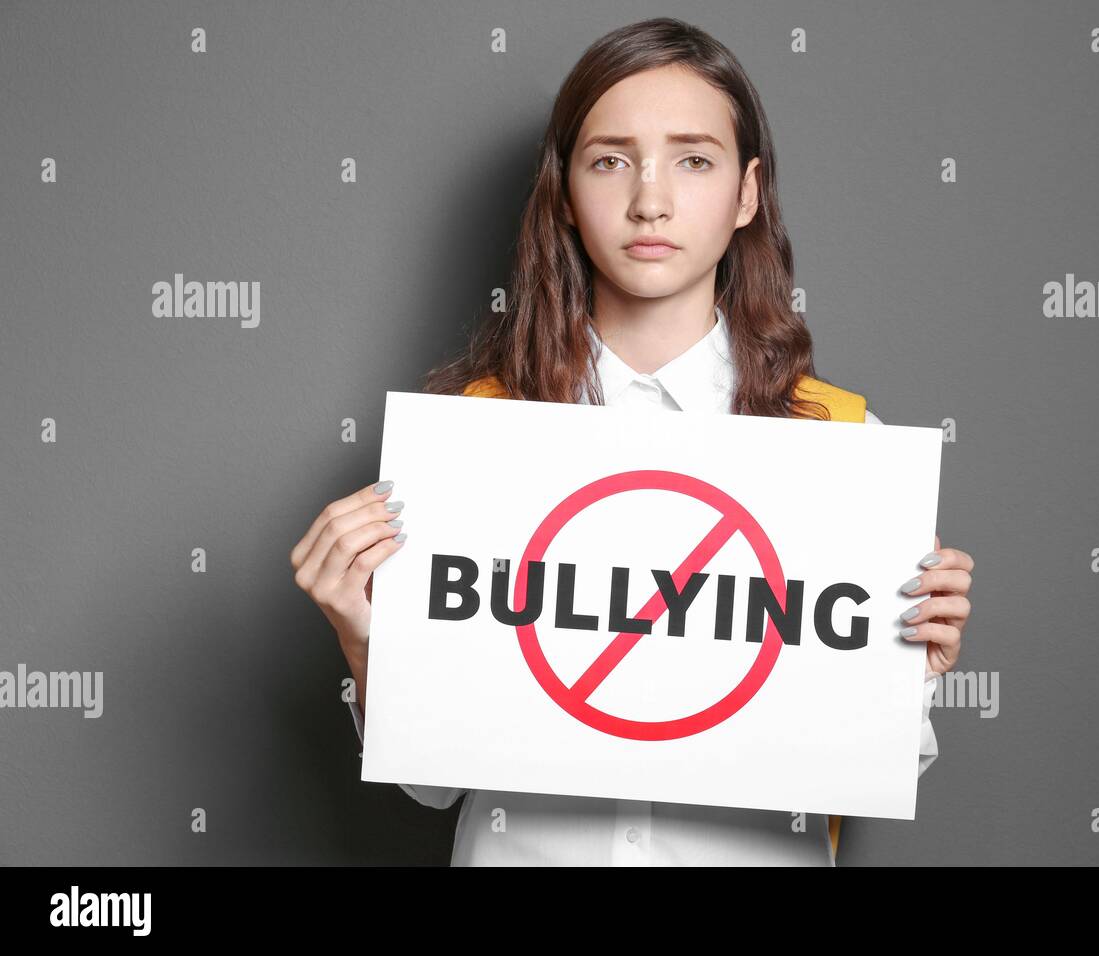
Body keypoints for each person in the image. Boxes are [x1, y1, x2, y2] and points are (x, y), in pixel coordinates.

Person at [290, 17, 974, 866]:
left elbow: (874, 764)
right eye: (611, 160)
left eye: (694, 159)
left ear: (747, 193)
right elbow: (435, 782)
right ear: (566, 196)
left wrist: (916, 664)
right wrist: (366, 639)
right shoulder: (476, 439)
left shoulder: (840, 448)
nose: (651, 198)